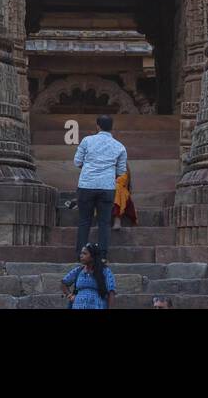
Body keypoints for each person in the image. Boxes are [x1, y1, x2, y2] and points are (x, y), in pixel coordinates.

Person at [73, 115, 127, 259]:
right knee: (104, 223)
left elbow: (77, 162)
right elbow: (121, 171)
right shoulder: (119, 146)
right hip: (107, 187)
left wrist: (90, 168)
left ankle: (81, 254)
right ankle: (102, 256)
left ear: (97, 126)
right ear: (112, 127)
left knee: (84, 221)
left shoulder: (87, 141)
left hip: (86, 185)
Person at [62, 243, 116, 310]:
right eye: (81, 253)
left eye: (84, 253)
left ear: (93, 256)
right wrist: (70, 296)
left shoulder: (104, 271)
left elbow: (111, 292)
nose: (81, 256)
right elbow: (64, 283)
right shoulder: (79, 270)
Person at [112, 164, 137, 231]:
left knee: (117, 188)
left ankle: (117, 218)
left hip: (122, 197)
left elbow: (121, 181)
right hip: (108, 195)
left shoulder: (123, 166)